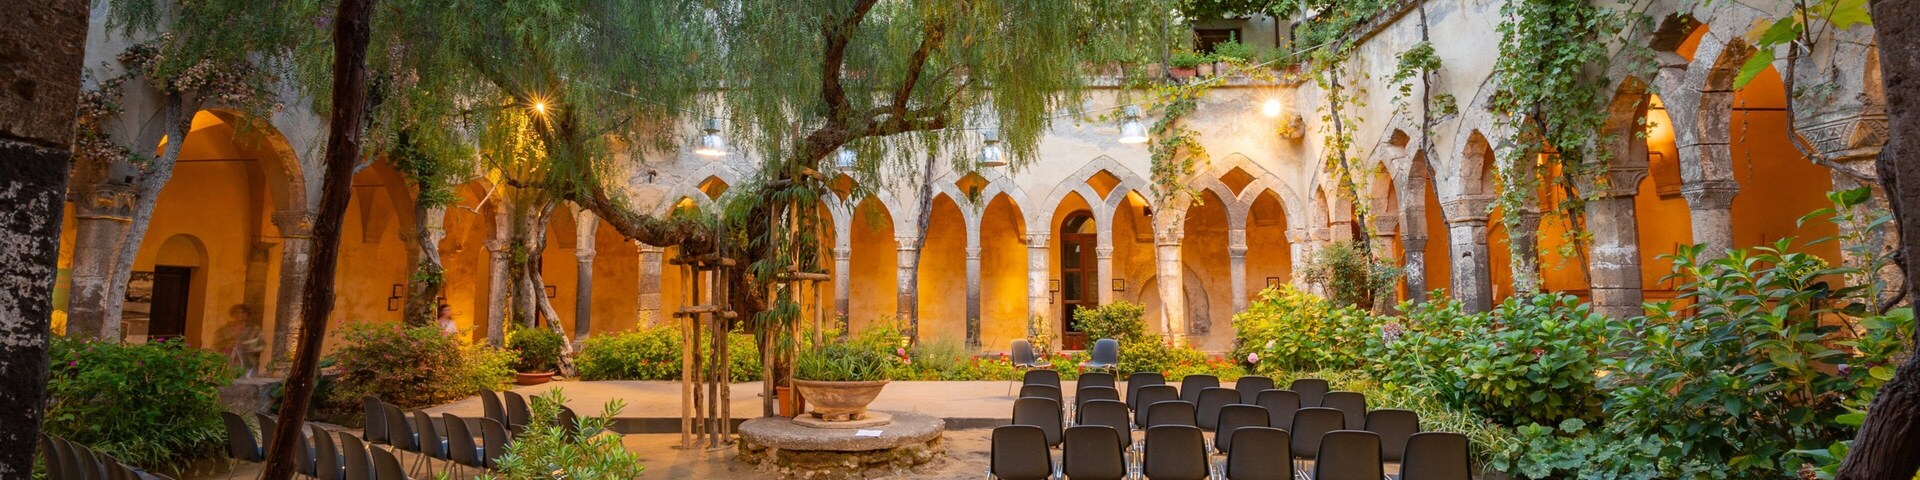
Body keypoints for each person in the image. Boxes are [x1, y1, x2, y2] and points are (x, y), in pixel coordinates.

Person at [214, 305, 265, 377]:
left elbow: (262, 346)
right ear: (232, 315)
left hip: (248, 367)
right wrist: (227, 345)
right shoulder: (223, 330)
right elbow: (215, 346)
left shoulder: (254, 329)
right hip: (227, 366)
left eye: (244, 312)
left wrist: (248, 348)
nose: (241, 316)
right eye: (238, 313)